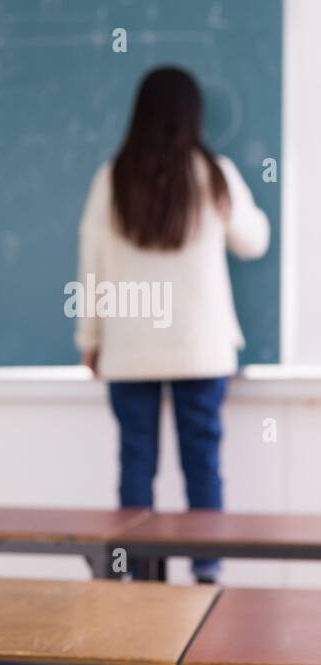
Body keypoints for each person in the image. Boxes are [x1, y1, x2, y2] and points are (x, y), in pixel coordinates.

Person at [75, 66, 271, 582]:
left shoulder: (112, 176)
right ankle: (208, 573)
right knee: (202, 463)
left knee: (136, 465)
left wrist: (90, 340)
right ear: (193, 115)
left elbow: (91, 266)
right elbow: (254, 240)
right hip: (201, 348)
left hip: (129, 347)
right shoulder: (215, 173)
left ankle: (137, 577)